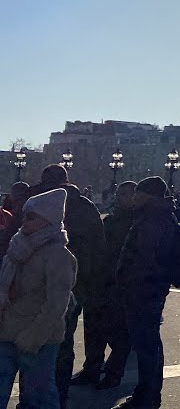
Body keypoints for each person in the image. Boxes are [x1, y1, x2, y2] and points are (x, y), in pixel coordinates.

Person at [28, 164, 103, 409]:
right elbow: (99, 247)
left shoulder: (41, 204)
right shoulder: (85, 207)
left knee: (33, 341)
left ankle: (35, 398)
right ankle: (57, 397)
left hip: (40, 282)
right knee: (61, 342)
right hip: (76, 283)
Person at [0, 188, 77, 409]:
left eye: (32, 217)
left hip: (38, 338)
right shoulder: (17, 246)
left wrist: (31, 338)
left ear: (48, 220)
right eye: (25, 215)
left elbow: (56, 306)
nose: (24, 221)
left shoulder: (58, 255)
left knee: (38, 396)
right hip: (7, 330)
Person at [114, 176, 179, 409]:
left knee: (146, 346)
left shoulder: (152, 219)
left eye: (138, 193)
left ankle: (146, 397)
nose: (134, 197)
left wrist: (130, 282)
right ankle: (148, 395)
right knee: (150, 345)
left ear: (148, 195)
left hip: (143, 290)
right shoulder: (160, 215)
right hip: (149, 289)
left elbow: (145, 259)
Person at [71, 181, 135, 391]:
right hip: (99, 281)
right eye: (119, 193)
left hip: (118, 285)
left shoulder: (136, 223)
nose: (119, 197)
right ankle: (92, 369)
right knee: (93, 330)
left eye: (125, 194)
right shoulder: (111, 220)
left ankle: (113, 373)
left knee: (117, 333)